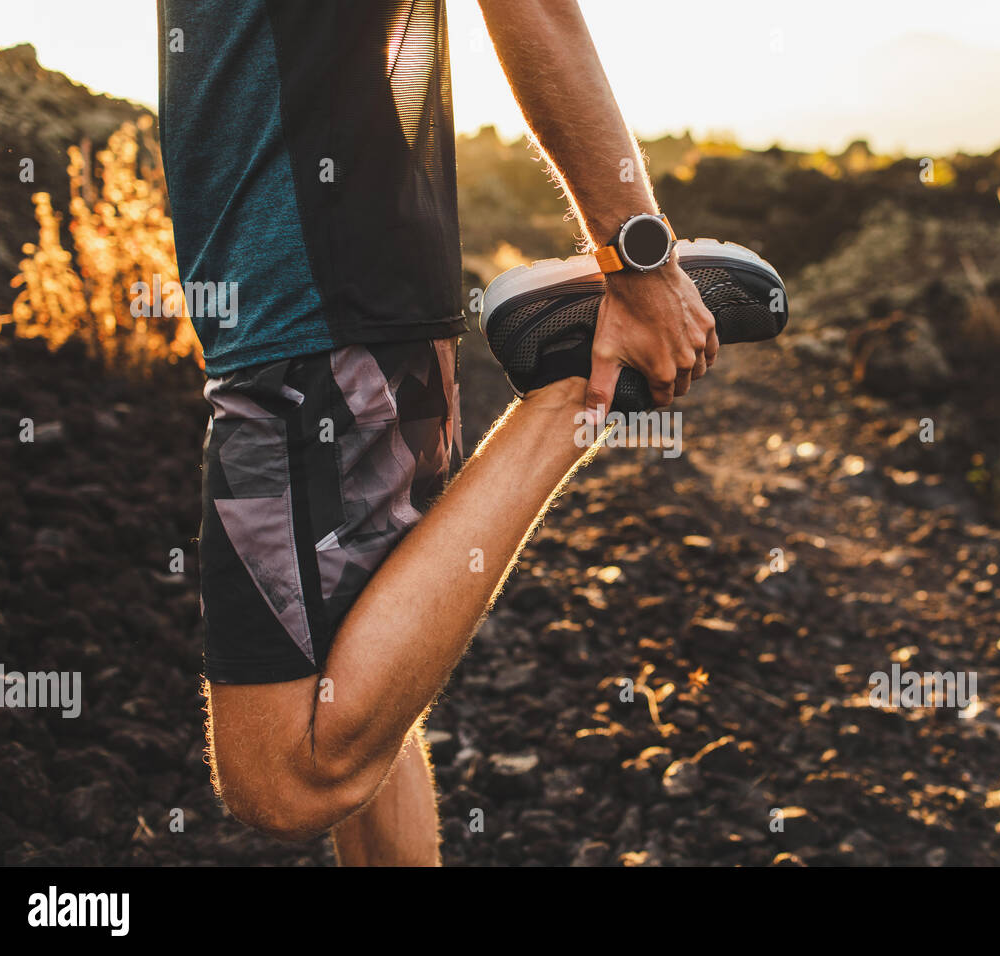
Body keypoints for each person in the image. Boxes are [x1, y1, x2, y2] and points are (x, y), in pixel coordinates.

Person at [158, 0, 717, 865]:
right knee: (357, 678)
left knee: (287, 775)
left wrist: (637, 259)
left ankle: (576, 390)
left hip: (313, 298)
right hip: (310, 295)